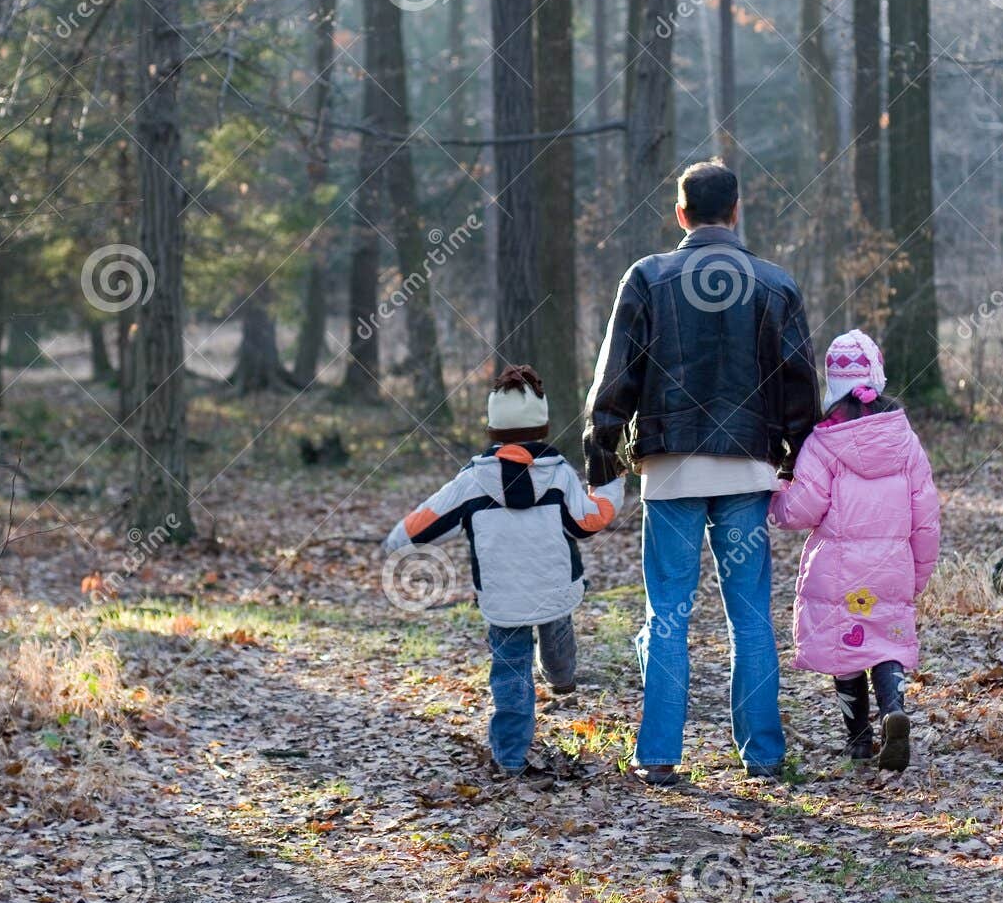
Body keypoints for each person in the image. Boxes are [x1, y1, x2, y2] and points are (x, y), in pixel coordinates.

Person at [583, 158, 820, 785]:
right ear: (737, 211)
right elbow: (799, 385)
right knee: (750, 615)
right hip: (748, 465)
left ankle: (659, 755)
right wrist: (799, 459)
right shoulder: (775, 284)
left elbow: (615, 377)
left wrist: (602, 460)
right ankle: (764, 755)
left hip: (671, 467)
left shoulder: (648, 278)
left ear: (681, 213)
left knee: (668, 613)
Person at [383, 365, 623, 777]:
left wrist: (396, 541)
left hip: (502, 595)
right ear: (543, 426)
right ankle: (561, 676)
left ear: (493, 429)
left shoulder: (471, 482)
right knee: (556, 626)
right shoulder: (561, 474)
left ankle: (511, 754)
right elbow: (587, 521)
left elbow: (427, 519)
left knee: (510, 668)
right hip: (555, 586)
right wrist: (612, 486)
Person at [769, 329, 940, 772]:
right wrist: (919, 573)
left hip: (839, 570)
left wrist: (777, 496)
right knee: (885, 642)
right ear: (878, 378)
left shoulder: (823, 442)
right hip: (893, 567)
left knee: (846, 649)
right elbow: (926, 516)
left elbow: (801, 511)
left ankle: (859, 740)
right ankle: (893, 711)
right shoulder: (904, 439)